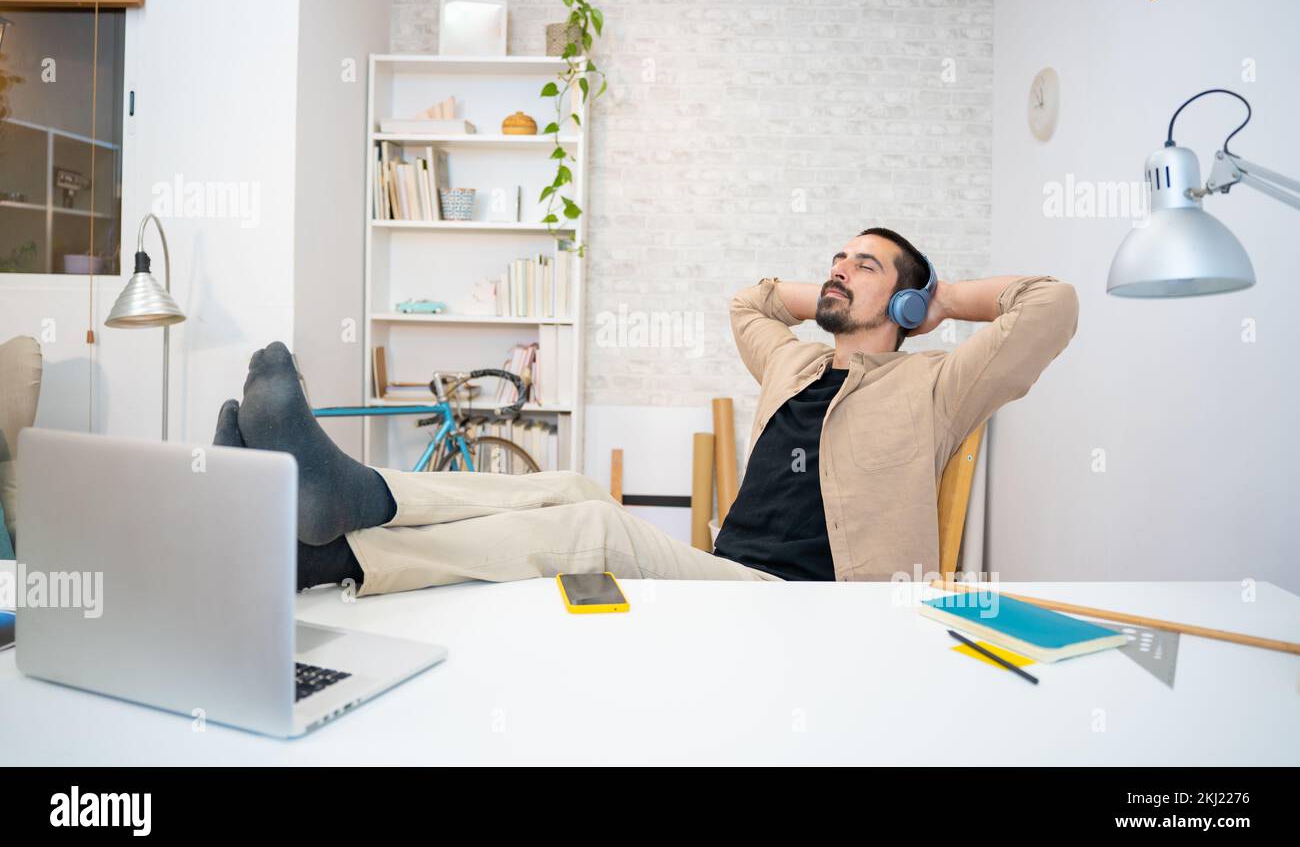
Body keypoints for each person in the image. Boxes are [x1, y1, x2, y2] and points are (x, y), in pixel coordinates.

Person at [216, 227, 1077, 596]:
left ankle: (339, 535)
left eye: (868, 266)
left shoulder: (935, 386)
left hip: (815, 603)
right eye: (836, 258)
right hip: (732, 574)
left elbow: (1052, 306)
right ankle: (337, 523)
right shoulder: (796, 359)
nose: (842, 270)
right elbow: (747, 304)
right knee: (581, 485)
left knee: (598, 535)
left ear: (904, 301)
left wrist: (939, 302)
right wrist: (822, 291)